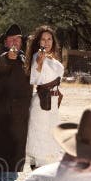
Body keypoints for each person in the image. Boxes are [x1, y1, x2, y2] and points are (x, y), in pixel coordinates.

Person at [0, 24, 33, 181]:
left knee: (15, 145)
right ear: (5, 42)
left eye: (18, 39)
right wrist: (9, 56)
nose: (15, 42)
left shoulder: (28, 59)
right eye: (12, 39)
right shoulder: (1, 56)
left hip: (20, 112)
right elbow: (2, 63)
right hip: (2, 111)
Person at [25, 25, 64, 169]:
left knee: (50, 139)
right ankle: (39, 175)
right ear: (38, 42)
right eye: (43, 39)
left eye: (49, 39)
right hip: (42, 103)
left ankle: (43, 176)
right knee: (40, 139)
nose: (46, 42)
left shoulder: (56, 62)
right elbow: (35, 78)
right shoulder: (37, 57)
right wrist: (40, 63)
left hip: (53, 104)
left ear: (53, 41)